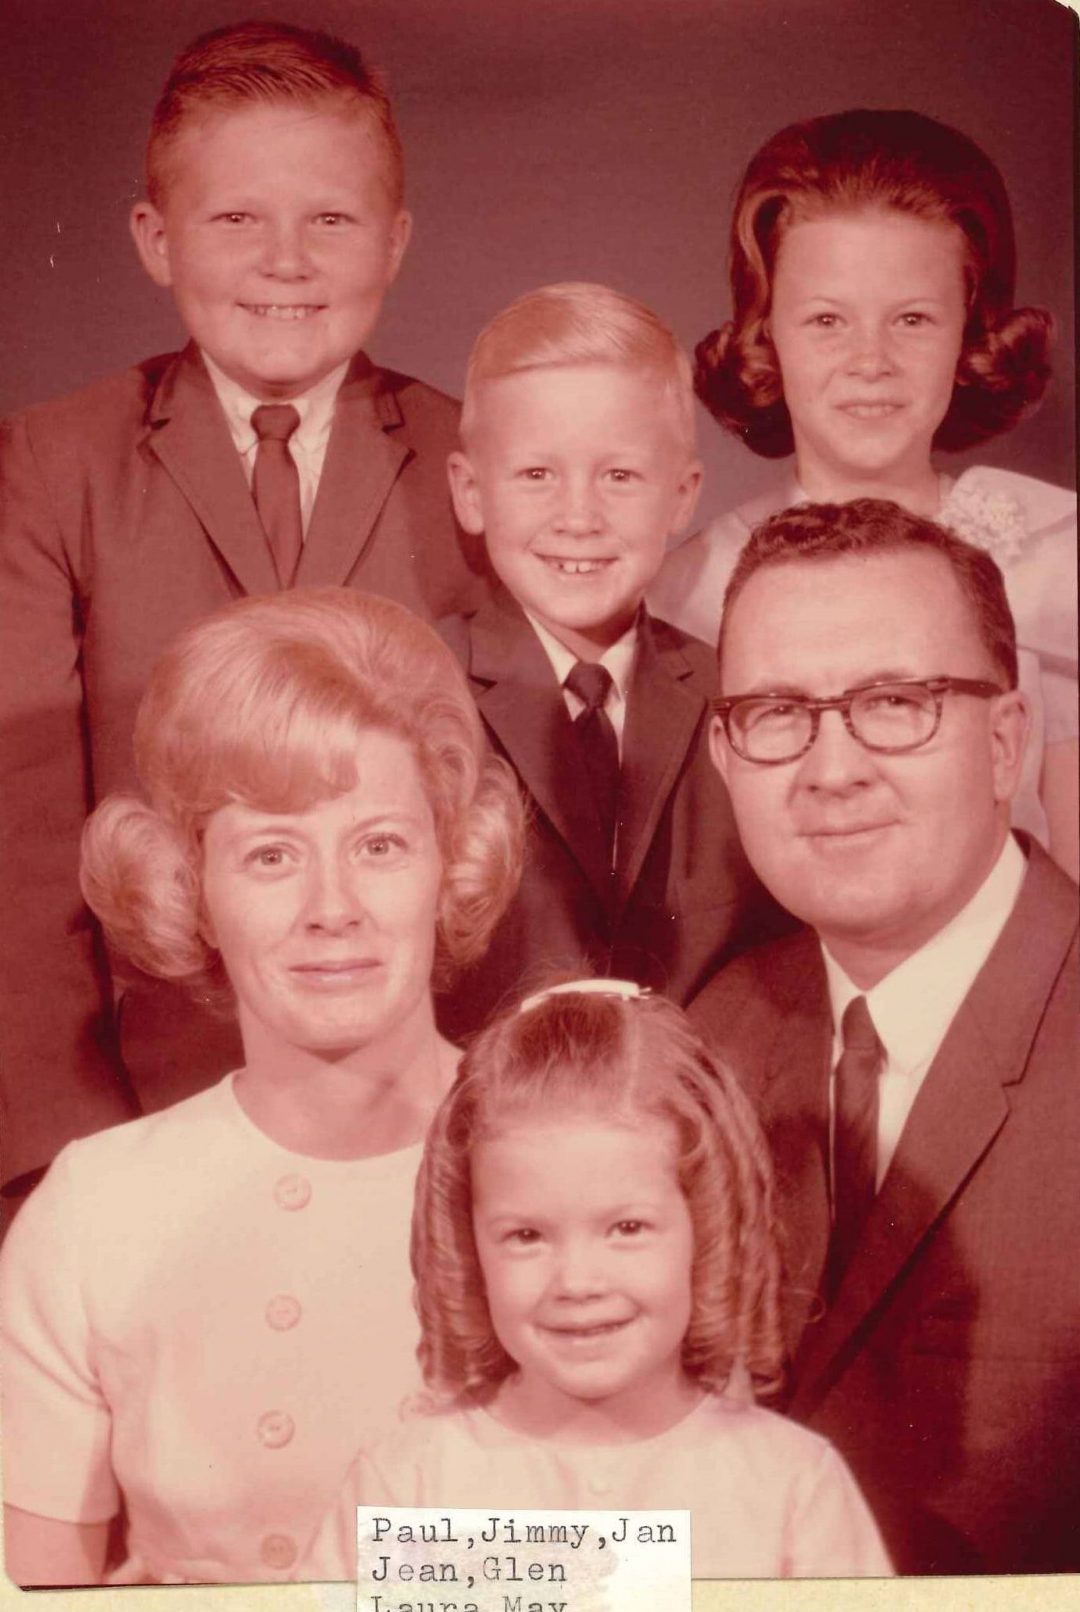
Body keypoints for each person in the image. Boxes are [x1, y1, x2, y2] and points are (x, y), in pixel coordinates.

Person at [0, 20, 494, 1207]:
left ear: (397, 239)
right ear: (155, 240)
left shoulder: (471, 460)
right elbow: (16, 851)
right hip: (137, 1106)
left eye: (330, 218)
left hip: (420, 1117)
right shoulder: (51, 462)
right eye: (235, 219)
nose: (287, 261)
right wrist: (59, 1161)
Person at [0, 588, 523, 1586]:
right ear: (191, 886)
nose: (333, 907)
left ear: (449, 863)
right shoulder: (95, 1205)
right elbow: (33, 1604)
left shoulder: (577, 1158)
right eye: (272, 854)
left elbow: (668, 1582)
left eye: (379, 844)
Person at [689, 498, 1079, 1574]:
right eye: (776, 712)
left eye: (894, 702)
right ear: (724, 752)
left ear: (1007, 741)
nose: (832, 768)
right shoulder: (707, 1036)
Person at [303, 980, 891, 1580]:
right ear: (468, 1246)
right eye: (527, 1236)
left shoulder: (789, 1486)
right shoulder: (409, 1483)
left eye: (627, 1228)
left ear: (705, 1228)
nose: (577, 1282)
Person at [648, 108, 1078, 878]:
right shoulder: (691, 593)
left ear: (968, 333)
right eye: (826, 321)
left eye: (912, 318)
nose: (869, 361)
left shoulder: (1057, 560)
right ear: (766, 331)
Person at [435, 282, 786, 1040]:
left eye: (620, 475)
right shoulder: (412, 697)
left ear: (684, 496)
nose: (580, 517)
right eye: (537, 474)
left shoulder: (745, 699)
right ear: (470, 492)